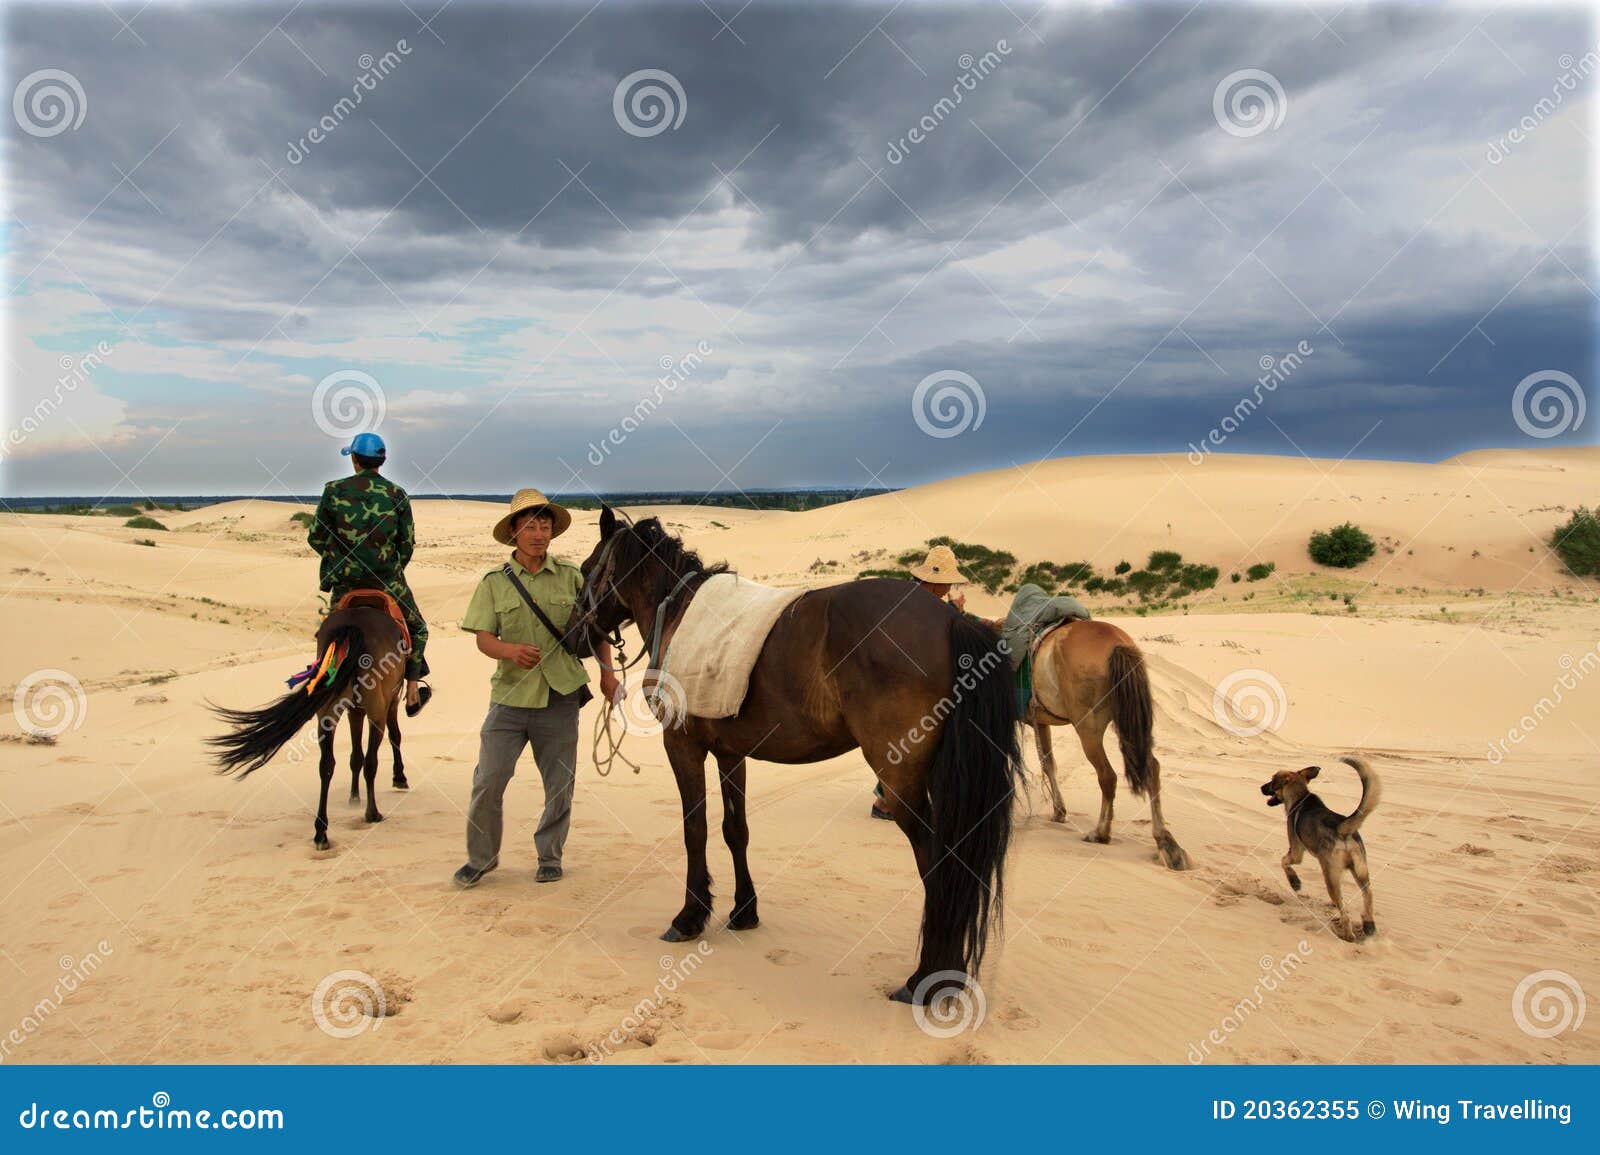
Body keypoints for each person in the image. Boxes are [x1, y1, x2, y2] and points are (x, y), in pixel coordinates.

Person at [453, 488, 620, 888]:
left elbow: (596, 630)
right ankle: (481, 859)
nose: (539, 532)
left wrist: (608, 674)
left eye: (545, 525)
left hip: (561, 696)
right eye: (530, 524)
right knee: (488, 779)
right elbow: (482, 638)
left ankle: (550, 856)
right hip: (509, 697)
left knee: (559, 785)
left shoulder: (572, 576)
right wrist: (508, 650)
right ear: (514, 532)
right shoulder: (494, 582)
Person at [869, 544, 999, 820]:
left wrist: (979, 621)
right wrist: (956, 611)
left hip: (911, 679)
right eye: (946, 581)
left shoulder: (926, 599)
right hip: (900, 682)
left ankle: (892, 798)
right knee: (910, 739)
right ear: (933, 581)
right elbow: (926, 628)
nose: (949, 585)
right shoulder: (915, 600)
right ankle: (885, 801)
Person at [306, 431, 431, 716]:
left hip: (345, 582)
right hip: (386, 582)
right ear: (382, 460)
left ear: (354, 459)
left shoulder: (333, 490)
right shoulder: (397, 494)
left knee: (328, 630)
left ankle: (322, 680)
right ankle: (412, 691)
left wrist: (340, 561)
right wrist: (388, 568)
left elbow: (315, 537)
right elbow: (406, 543)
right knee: (418, 628)